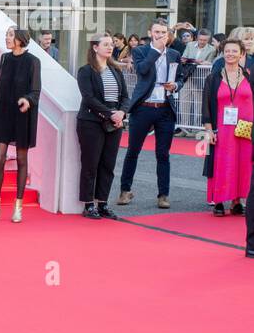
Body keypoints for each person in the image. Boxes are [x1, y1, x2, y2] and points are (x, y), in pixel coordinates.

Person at [117, 19, 194, 209]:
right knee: (133, 151)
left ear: (168, 35)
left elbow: (180, 78)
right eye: (157, 32)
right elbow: (142, 70)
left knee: (163, 154)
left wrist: (175, 85)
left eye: (163, 33)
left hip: (165, 108)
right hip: (143, 106)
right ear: (151, 33)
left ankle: (163, 194)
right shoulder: (141, 51)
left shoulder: (175, 54)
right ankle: (125, 190)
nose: (160, 35)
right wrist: (156, 50)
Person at [0, 26, 41, 223]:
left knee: (21, 159)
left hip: (22, 114)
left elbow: (36, 90)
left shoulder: (33, 61)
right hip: (3, 112)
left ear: (20, 39)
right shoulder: (4, 58)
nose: (7, 38)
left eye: (10, 35)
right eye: (6, 35)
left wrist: (27, 100)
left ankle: (18, 206)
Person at [76, 33, 128, 220]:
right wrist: (110, 114)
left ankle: (103, 203)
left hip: (115, 123)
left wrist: (121, 113)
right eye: (105, 44)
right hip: (91, 122)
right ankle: (89, 204)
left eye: (111, 44)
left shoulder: (116, 71)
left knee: (108, 164)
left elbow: (125, 98)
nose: (110, 47)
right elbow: (89, 98)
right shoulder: (86, 71)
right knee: (91, 164)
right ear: (95, 48)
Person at [202, 39, 253, 216]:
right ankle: (219, 200)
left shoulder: (249, 76)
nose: (230, 54)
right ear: (223, 53)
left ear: (242, 54)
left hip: (245, 130)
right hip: (221, 130)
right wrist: (209, 130)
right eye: (227, 51)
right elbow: (206, 106)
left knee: (242, 164)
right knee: (221, 164)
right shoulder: (213, 78)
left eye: (234, 51)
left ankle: (237, 200)